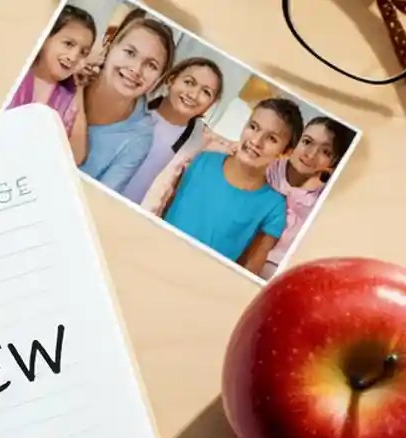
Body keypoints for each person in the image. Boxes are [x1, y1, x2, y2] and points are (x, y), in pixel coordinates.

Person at [160, 98, 304, 275]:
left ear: (285, 153)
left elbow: (249, 270)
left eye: (272, 139)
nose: (256, 141)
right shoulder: (202, 160)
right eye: (253, 127)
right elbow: (165, 207)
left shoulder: (274, 207)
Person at [77, 16, 175, 194]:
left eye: (151, 65)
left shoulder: (139, 137)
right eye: (130, 52)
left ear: (159, 79)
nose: (136, 69)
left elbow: (99, 197)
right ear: (110, 46)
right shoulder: (71, 73)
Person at [257, 116, 356, 278]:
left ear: (334, 161)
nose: (311, 154)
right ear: (296, 139)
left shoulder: (327, 197)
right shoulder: (266, 167)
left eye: (326, 152)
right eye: (307, 142)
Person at [120, 57, 225, 205]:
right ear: (171, 80)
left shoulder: (201, 143)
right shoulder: (130, 107)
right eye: (189, 82)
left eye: (206, 92)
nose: (193, 95)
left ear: (212, 104)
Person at [7, 6, 97, 163]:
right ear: (45, 37)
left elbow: (76, 157)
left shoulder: (69, 97)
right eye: (68, 44)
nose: (73, 57)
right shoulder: (17, 69)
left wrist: (79, 87)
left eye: (83, 52)